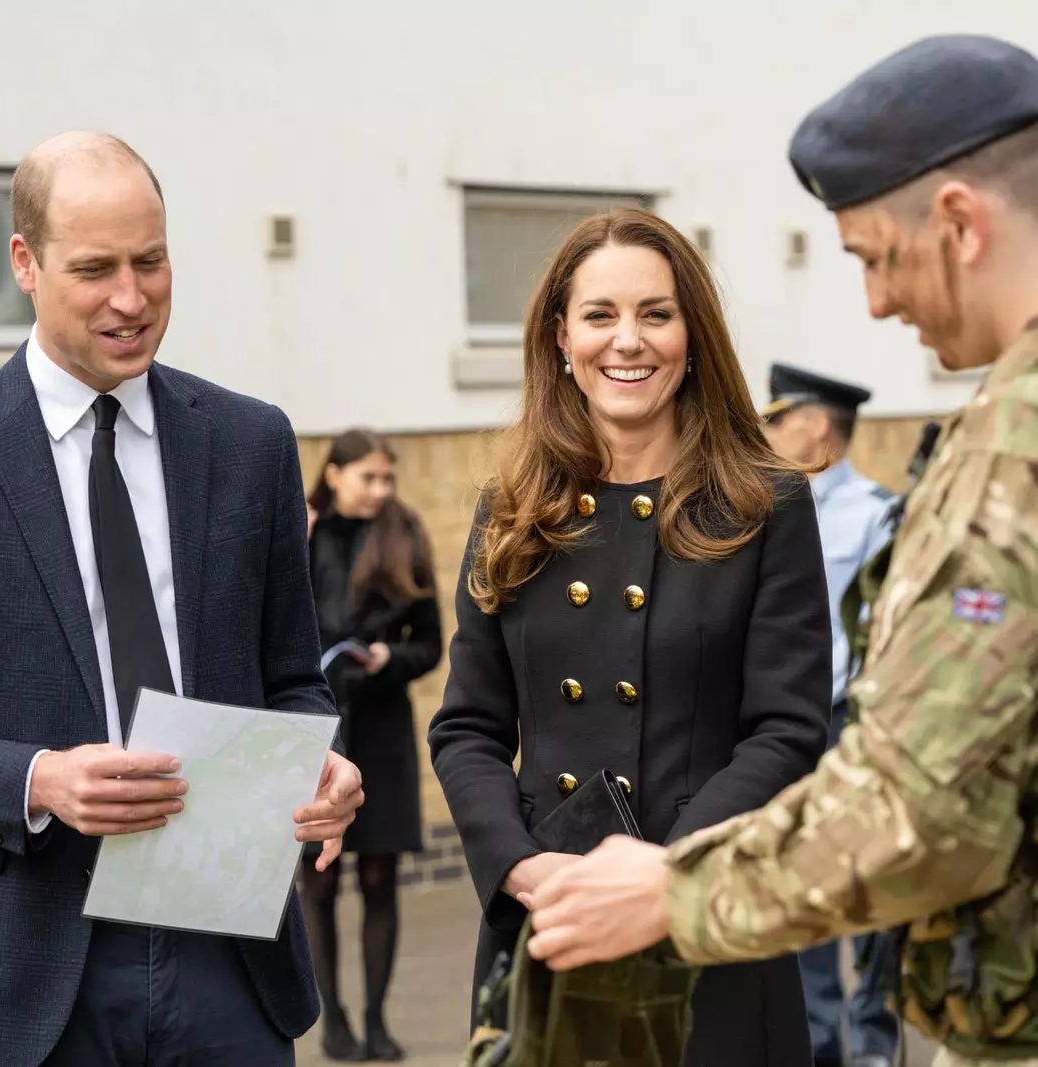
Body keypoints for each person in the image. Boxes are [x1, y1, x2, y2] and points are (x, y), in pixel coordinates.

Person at [523, 35, 1038, 1067]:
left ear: (958, 222)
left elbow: (921, 808)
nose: (878, 301)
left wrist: (669, 891)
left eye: (876, 257)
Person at [0, 131, 363, 1067]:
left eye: (150, 262)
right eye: (96, 269)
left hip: (229, 956)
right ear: (24, 264)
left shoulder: (251, 444)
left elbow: (292, 678)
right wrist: (38, 779)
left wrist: (324, 765)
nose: (132, 297)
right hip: (23, 968)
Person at [428, 206, 831, 1065]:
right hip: (550, 919)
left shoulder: (765, 504)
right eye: (601, 315)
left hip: (704, 921)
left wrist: (661, 875)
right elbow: (467, 727)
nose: (629, 342)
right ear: (560, 339)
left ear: (693, 335)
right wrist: (522, 869)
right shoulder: (514, 508)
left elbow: (788, 729)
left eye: (656, 313)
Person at [762, 364, 899, 1067]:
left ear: (817, 424)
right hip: (795, 725)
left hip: (857, 721)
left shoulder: (881, 513)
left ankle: (874, 1043)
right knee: (805, 880)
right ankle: (819, 1043)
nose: (772, 431)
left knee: (872, 888)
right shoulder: (766, 509)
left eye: (780, 419)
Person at [299, 428, 442, 1062]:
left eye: (388, 479)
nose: (381, 491)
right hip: (314, 726)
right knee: (320, 879)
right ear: (334, 474)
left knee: (380, 876)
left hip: (381, 725)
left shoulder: (404, 532)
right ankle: (331, 1021)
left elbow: (431, 643)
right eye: (369, 478)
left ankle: (379, 1020)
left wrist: (391, 657)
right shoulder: (297, 532)